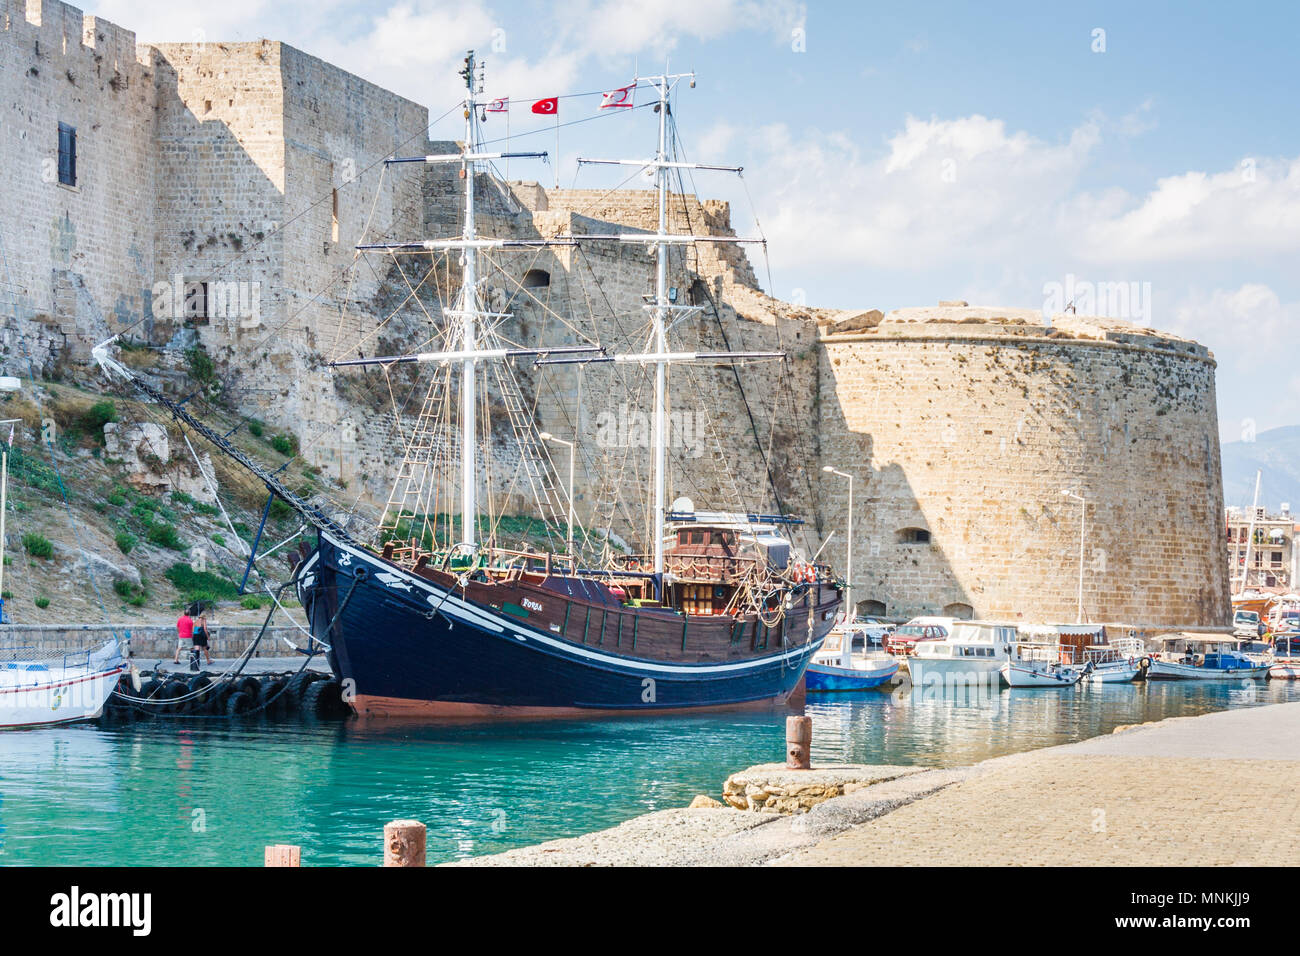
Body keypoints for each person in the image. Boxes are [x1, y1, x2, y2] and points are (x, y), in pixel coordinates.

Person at [191, 604, 213, 670]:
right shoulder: (203, 621)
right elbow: (205, 629)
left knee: (197, 649)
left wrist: (193, 636)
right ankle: (208, 660)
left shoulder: (195, 621)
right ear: (204, 617)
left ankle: (196, 662)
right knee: (205, 648)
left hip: (195, 635)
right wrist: (208, 637)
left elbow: (192, 630)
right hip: (201, 636)